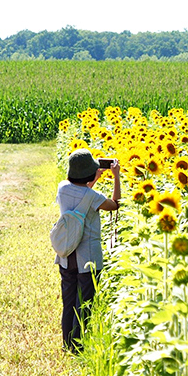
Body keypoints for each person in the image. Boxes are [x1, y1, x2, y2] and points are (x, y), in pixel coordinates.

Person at [55, 148, 120, 353]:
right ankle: (78, 348)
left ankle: (68, 345)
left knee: (69, 302)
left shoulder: (63, 188)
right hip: (88, 258)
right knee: (84, 304)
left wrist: (91, 181)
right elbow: (115, 204)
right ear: (90, 173)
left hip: (66, 255)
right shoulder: (94, 197)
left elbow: (80, 194)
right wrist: (116, 176)